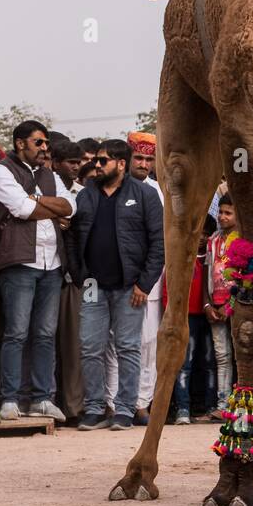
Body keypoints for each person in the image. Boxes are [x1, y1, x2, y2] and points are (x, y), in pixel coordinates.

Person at [0, 120, 75, 422]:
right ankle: (10, 398)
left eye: (46, 143)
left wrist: (37, 200)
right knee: (16, 333)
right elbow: (22, 209)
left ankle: (42, 399)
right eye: (39, 142)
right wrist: (50, 208)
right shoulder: (1, 171)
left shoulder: (49, 174)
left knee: (45, 334)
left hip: (52, 262)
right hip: (20, 262)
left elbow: (72, 207)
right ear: (21, 143)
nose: (45, 148)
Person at [73, 139, 164, 430]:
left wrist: (144, 284)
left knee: (128, 347)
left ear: (121, 164)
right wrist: (80, 274)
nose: (96, 166)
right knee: (90, 347)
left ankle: (125, 409)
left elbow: (158, 242)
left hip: (130, 286)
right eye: (97, 160)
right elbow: (75, 238)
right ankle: (95, 409)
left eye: (103, 161)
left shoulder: (145, 194)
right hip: (92, 285)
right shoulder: (86, 194)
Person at [122, 131, 164, 425]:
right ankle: (117, 402)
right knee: (119, 344)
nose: (144, 164)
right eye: (139, 157)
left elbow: (161, 241)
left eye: (149, 158)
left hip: (152, 280)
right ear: (128, 158)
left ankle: (141, 403)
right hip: (120, 280)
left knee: (150, 343)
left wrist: (147, 280)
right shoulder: (113, 189)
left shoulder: (159, 192)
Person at [52, 140, 85, 421]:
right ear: (54, 163)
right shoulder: (39, 190)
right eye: (69, 162)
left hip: (72, 278)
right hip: (43, 272)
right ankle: (47, 401)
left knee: (73, 345)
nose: (75, 166)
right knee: (42, 341)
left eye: (78, 162)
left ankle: (73, 409)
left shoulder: (82, 195)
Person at [173, 219, 216, 424]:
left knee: (209, 362)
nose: (201, 238)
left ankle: (210, 407)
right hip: (186, 315)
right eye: (198, 233)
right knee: (184, 363)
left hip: (210, 315)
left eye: (206, 233)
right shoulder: (180, 256)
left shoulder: (214, 257)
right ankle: (182, 408)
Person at [205, 193, 237, 420]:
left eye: (228, 213)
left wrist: (231, 303)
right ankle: (223, 403)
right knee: (222, 355)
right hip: (214, 305)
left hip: (237, 306)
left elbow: (246, 277)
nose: (222, 217)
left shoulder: (242, 240)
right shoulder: (213, 240)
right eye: (221, 212)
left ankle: (242, 403)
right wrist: (207, 304)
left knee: (240, 355)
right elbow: (207, 272)